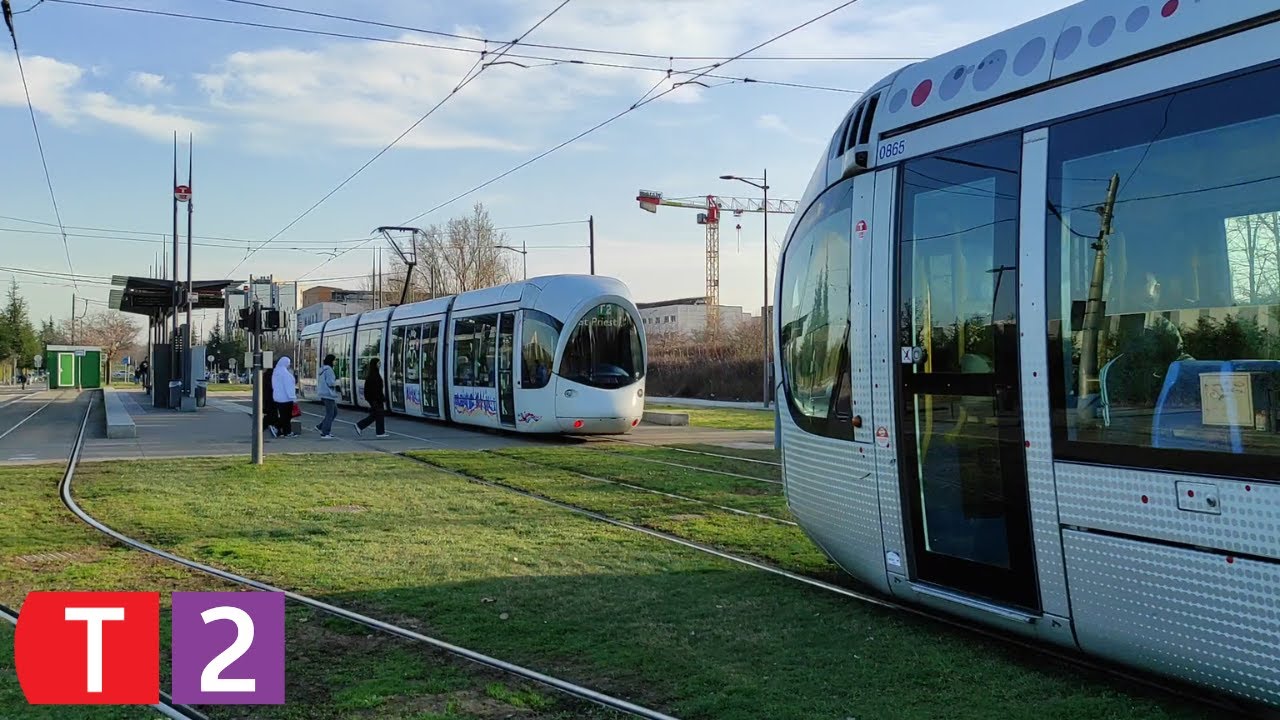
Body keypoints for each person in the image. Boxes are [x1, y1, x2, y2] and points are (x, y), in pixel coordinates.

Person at [354, 358, 388, 438]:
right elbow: (375, 389)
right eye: (378, 363)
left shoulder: (374, 374)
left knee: (377, 414)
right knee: (378, 414)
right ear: (375, 364)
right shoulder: (373, 376)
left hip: (375, 398)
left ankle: (380, 432)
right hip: (375, 399)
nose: (379, 365)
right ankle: (360, 425)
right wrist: (381, 398)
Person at [271, 356, 298, 438]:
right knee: (287, 416)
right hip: (286, 398)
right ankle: (282, 429)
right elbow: (288, 386)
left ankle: (283, 431)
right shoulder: (285, 373)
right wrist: (293, 397)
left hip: (278, 398)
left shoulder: (276, 372)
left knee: (283, 415)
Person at [315, 354, 340, 438]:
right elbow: (330, 382)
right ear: (331, 361)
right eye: (334, 360)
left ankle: (320, 426)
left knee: (334, 412)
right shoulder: (329, 370)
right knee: (330, 413)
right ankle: (325, 432)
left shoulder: (323, 369)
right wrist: (337, 384)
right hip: (328, 394)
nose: (335, 362)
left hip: (324, 393)